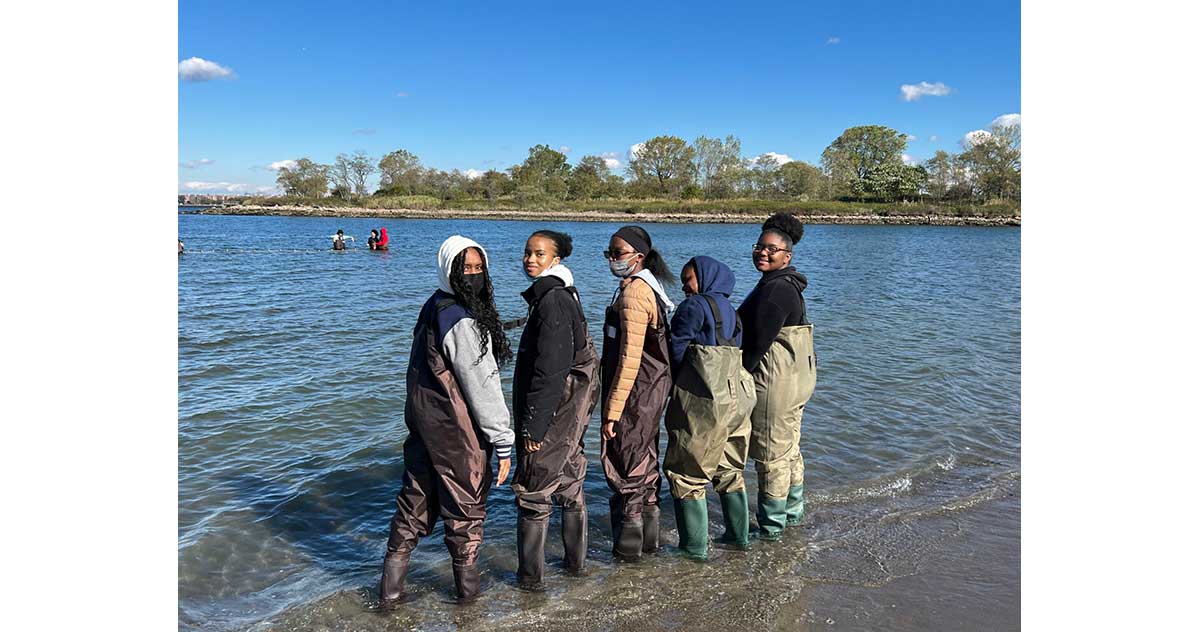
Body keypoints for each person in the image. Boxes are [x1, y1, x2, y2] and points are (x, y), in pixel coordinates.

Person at [378, 235, 515, 606]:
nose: (473, 275)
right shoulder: (459, 318)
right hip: (457, 432)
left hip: (424, 426)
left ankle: (390, 596)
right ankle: (468, 603)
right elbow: (482, 384)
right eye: (465, 268)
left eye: (479, 268)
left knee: (413, 505)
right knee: (465, 513)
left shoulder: (434, 306)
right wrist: (502, 440)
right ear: (448, 270)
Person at [510, 230, 601, 589]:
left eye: (539, 254)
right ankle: (575, 568)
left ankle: (530, 583)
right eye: (527, 253)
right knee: (570, 482)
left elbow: (550, 370)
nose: (530, 260)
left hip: (555, 414)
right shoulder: (562, 294)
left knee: (534, 491)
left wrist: (533, 427)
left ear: (556, 260)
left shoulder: (553, 301)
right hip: (571, 413)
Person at [662, 256, 756, 559]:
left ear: (704, 278)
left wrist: (675, 387)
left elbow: (676, 348)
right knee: (729, 469)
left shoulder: (693, 306)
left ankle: (693, 551)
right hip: (738, 396)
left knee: (687, 473)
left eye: (688, 279)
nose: (684, 286)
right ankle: (738, 539)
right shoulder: (733, 311)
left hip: (705, 397)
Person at [737, 213, 816, 541]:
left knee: (771, 456)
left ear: (787, 255)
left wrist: (735, 377)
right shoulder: (786, 283)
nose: (763, 253)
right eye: (759, 247)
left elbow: (757, 344)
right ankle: (793, 516)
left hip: (776, 383)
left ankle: (772, 529)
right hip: (797, 380)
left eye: (771, 249)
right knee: (789, 449)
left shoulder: (776, 290)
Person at [599, 225, 676, 561]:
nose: (612, 260)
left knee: (626, 469)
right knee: (645, 466)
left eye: (618, 253)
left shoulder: (634, 295)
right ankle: (649, 550)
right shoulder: (647, 288)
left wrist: (612, 412)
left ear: (639, 256)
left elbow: (629, 360)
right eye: (609, 253)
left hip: (636, 395)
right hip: (652, 391)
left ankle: (627, 558)